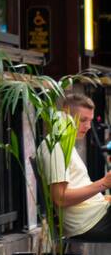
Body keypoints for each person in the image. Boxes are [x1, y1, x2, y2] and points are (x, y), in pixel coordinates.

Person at [43, 93, 111, 242]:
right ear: (66, 116)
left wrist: (104, 198)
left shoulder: (66, 143)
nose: (87, 126)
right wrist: (104, 183)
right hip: (88, 223)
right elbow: (60, 198)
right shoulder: (56, 146)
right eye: (82, 120)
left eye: (90, 121)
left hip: (95, 214)